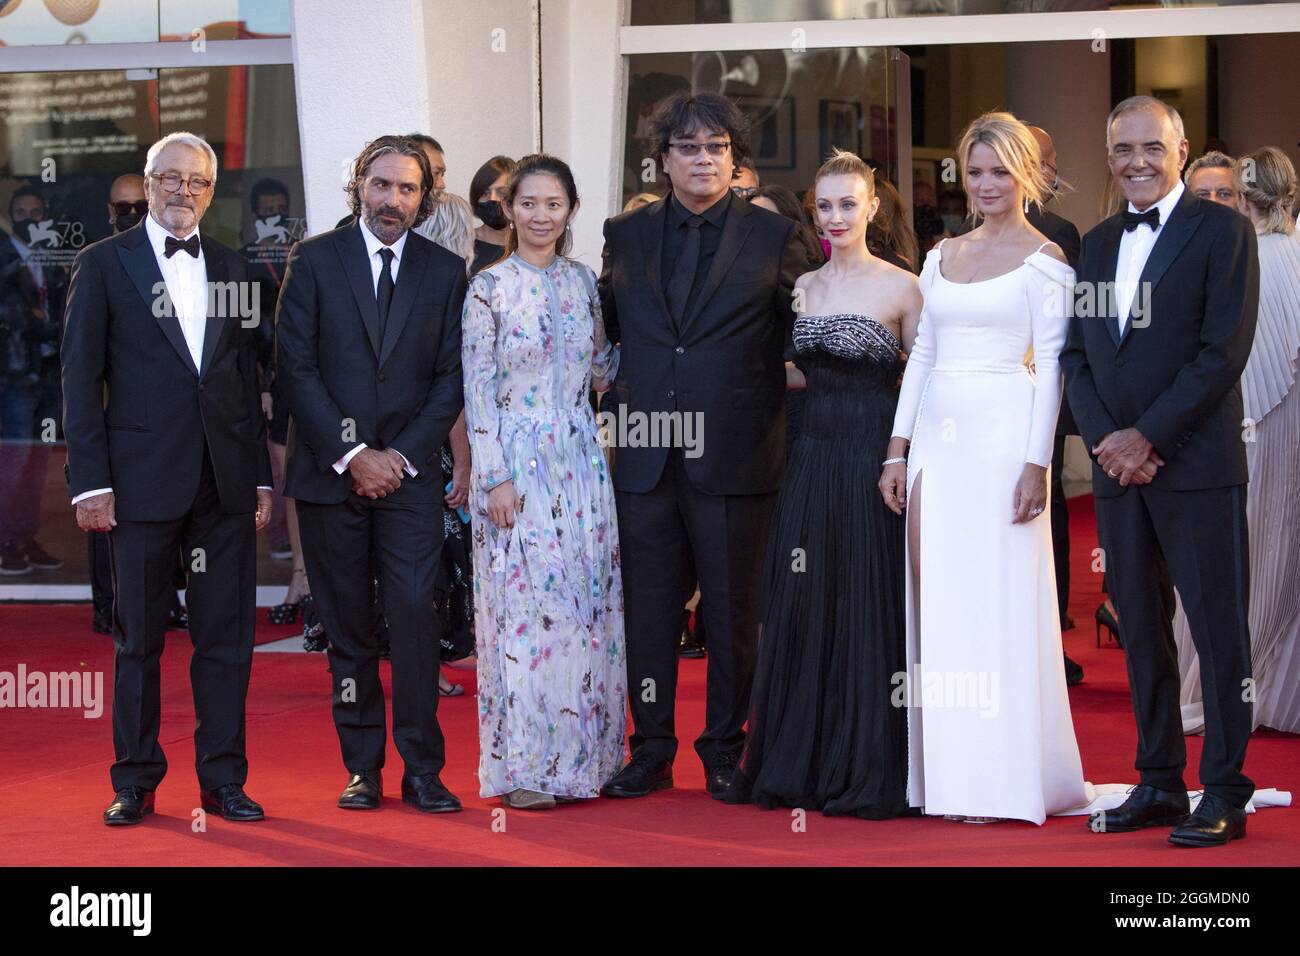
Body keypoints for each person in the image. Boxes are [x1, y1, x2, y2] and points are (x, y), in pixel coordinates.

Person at [1061, 96, 1259, 847]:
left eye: (1151, 147)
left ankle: (1227, 789)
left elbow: (1222, 352)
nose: (1136, 161)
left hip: (1194, 465)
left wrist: (1147, 437)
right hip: (1118, 469)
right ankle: (1159, 780)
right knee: (1141, 629)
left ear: (1179, 151)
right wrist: (1110, 441)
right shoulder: (1098, 241)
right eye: (1122, 149)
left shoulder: (1225, 231)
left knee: (1217, 632)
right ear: (1108, 156)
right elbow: (1077, 353)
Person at [61, 132, 274, 826]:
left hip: (223, 485)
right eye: (171, 178)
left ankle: (223, 781)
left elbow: (248, 381)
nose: (184, 192)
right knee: (138, 642)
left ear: (212, 192)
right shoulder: (101, 266)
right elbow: (78, 380)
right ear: (148, 183)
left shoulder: (240, 267)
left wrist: (261, 479)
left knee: (225, 640)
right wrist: (89, 483)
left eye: (198, 182)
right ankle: (135, 780)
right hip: (139, 484)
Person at [880, 112, 1087, 825]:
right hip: (941, 446)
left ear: (1026, 174)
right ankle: (951, 777)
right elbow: (924, 358)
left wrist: (1039, 465)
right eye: (976, 170)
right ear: (961, 177)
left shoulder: (1048, 261)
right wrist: (897, 450)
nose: (988, 183)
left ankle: (1006, 780)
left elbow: (1055, 368)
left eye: (1002, 170)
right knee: (944, 606)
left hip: (1006, 439)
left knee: (1000, 607)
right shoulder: (939, 257)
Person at [596, 91, 803, 799]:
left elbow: (802, 335)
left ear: (734, 158)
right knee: (648, 614)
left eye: (717, 147)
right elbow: (608, 335)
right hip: (646, 455)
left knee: (732, 611)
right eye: (689, 147)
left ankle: (724, 747)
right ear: (663, 160)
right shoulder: (623, 235)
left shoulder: (774, 237)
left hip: (738, 453)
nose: (704, 159)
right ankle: (650, 747)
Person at [276, 135, 466, 814]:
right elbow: (294, 368)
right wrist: (355, 455)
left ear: (424, 197)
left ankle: (423, 769)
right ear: (359, 185)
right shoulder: (314, 260)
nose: (393, 200)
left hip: (409, 481)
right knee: (349, 629)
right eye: (381, 185)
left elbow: (451, 379)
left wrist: (399, 458)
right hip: (333, 478)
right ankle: (362, 768)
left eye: (407, 189)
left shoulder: (445, 272)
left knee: (415, 617)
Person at [730, 149, 919, 818]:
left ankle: (866, 764)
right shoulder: (805, 286)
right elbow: (795, 372)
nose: (835, 217)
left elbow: (924, 386)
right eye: (825, 206)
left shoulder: (905, 287)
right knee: (807, 605)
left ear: (872, 208)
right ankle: (802, 759)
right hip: (808, 459)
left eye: (848, 204)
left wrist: (902, 459)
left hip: (872, 458)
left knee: (866, 602)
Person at [462, 154, 625, 810]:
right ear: (509, 209)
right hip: (515, 462)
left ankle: (589, 760)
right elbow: (476, 390)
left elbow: (600, 369)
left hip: (581, 460)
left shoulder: (584, 282)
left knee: (586, 610)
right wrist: (493, 477)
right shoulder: (488, 288)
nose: (540, 215)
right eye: (528, 203)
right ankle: (526, 769)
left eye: (553, 204)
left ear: (571, 210)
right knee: (527, 612)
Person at [1175, 147, 1300, 735]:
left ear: (1248, 200)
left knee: (1235, 551)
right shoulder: (1294, 255)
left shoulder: (1243, 257)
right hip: (1283, 427)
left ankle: (1217, 690)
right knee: (1281, 550)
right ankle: (1274, 692)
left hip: (1236, 427)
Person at [84, 175, 188, 635]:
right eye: (120, 207)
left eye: (134, 205)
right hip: (118, 429)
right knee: (114, 527)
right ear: (110, 211)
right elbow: (82, 369)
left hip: (174, 429)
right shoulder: (98, 264)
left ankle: (169, 597)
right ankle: (109, 606)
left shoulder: (202, 261)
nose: (128, 214)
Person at [418, 189, 480, 696]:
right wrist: (462, 461)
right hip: (434, 445)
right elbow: (453, 388)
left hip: (405, 442)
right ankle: (431, 662)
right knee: (437, 558)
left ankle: (431, 660)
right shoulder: (450, 288)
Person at [0, 184, 67, 577]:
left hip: (49, 372)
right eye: (21, 213)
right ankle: (7, 541)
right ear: (12, 217)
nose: (30, 220)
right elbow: (13, 315)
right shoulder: (5, 256)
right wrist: (39, 322)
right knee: (15, 458)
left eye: (36, 212)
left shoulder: (55, 256)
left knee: (39, 460)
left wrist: (49, 324)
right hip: (15, 373)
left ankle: (24, 536)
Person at [469, 155, 516, 275]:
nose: (493, 198)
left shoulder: (527, 247)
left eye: (502, 192)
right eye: (485, 193)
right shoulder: (461, 243)